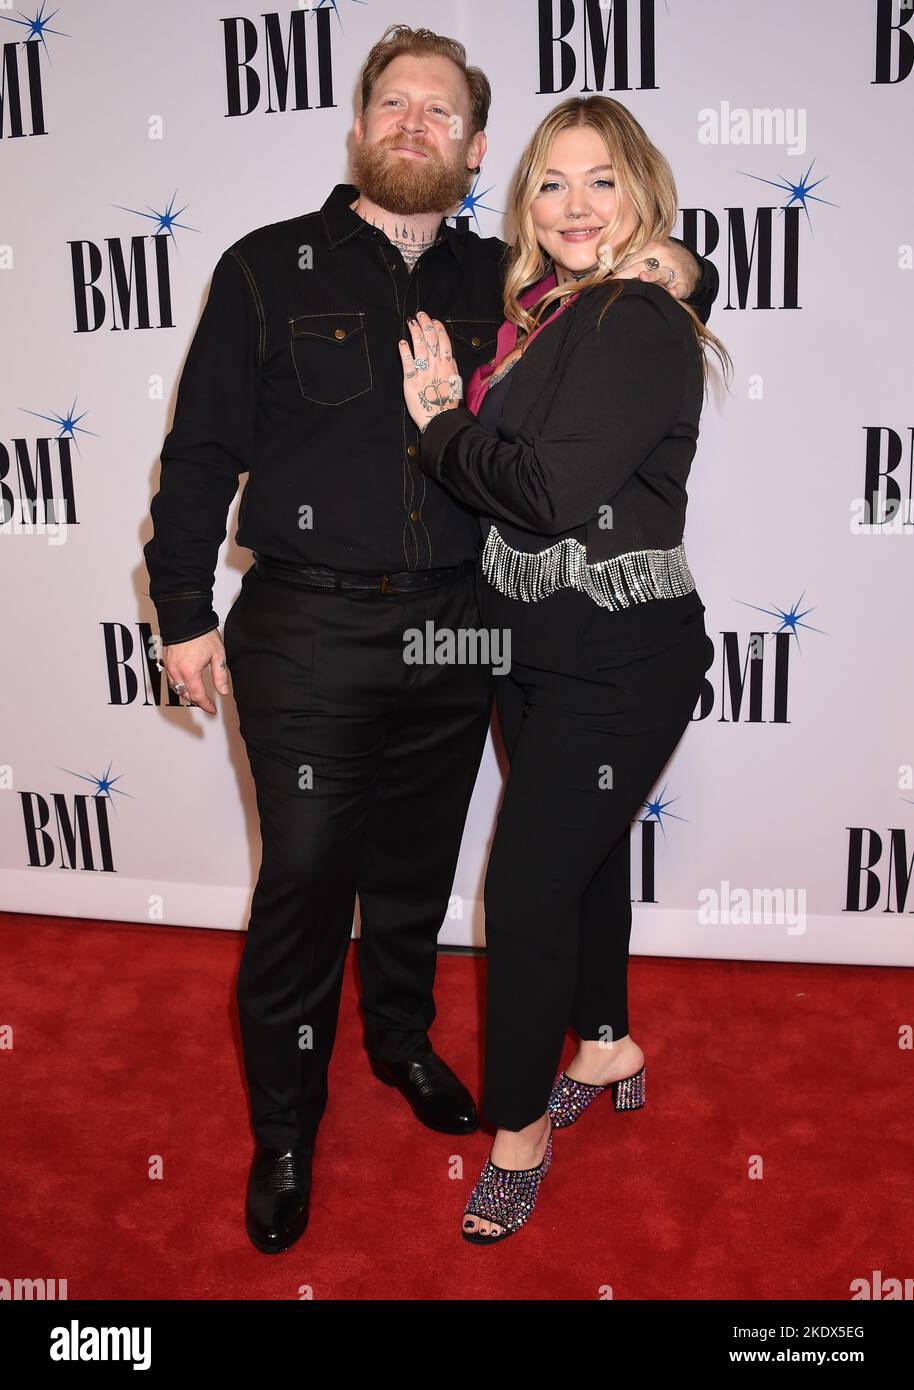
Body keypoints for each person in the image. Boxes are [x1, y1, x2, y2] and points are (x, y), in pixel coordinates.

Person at [143, 25, 717, 1255]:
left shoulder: (498, 280)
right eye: (392, 103)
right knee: (303, 882)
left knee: (412, 873)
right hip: (306, 624)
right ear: (359, 126)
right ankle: (286, 1127)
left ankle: (400, 1045)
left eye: (441, 111)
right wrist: (182, 609)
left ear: (472, 149)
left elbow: (618, 294)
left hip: (464, 627)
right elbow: (198, 457)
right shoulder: (263, 266)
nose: (414, 122)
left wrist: (686, 263)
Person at [401, 95, 731, 1243]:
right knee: (581, 860)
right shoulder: (539, 314)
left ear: (640, 193)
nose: (575, 204)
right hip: (529, 642)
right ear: (524, 206)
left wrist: (439, 422)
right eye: (550, 182)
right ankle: (605, 1038)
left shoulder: (634, 315)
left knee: (526, 889)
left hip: (616, 656)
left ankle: (516, 1128)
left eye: (600, 180)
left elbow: (542, 496)